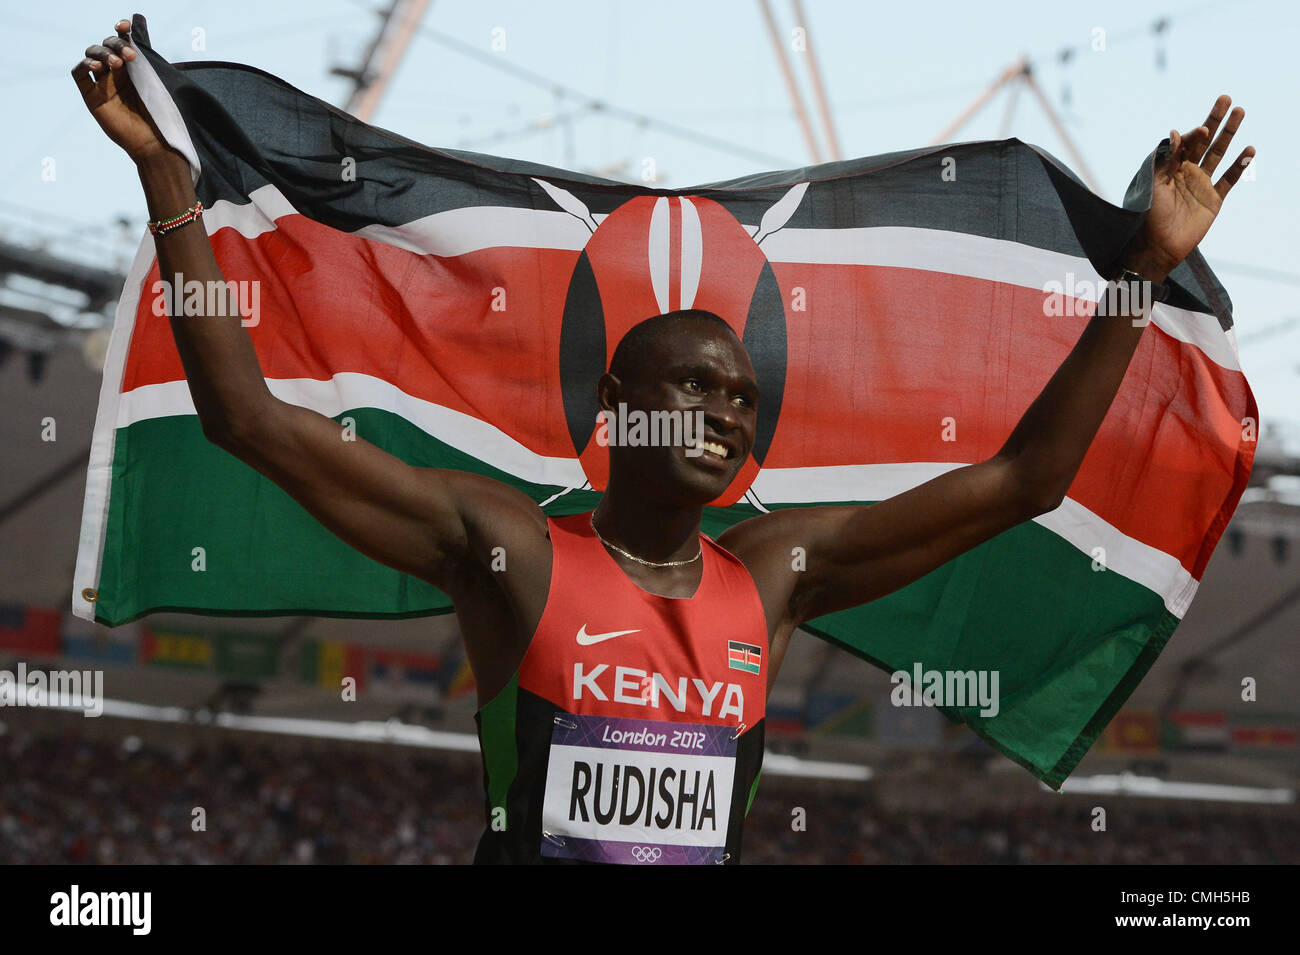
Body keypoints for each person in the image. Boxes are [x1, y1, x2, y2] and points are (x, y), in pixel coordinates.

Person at [72, 17, 1254, 864]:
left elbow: (1021, 479)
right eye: (695, 386)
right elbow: (248, 420)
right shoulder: (510, 550)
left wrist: (1138, 277)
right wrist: (173, 189)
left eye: (741, 398)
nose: (727, 414)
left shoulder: (776, 573)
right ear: (613, 404)